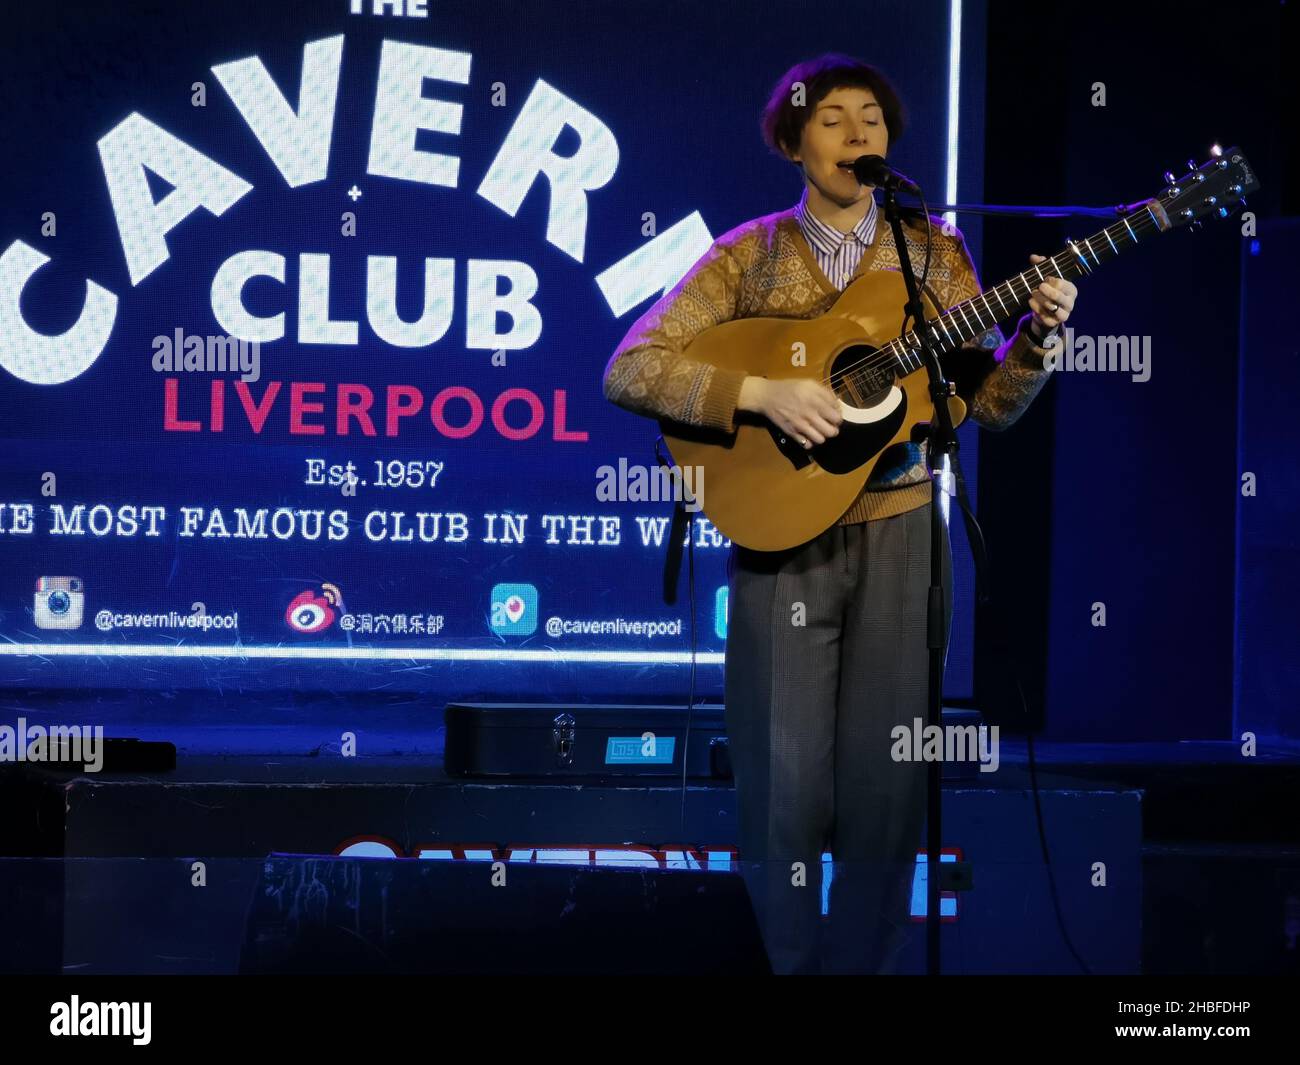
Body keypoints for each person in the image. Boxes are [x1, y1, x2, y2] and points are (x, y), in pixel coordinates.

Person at [602, 53, 1077, 974]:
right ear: (793, 141)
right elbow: (631, 367)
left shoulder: (933, 252)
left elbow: (987, 406)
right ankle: (784, 964)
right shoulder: (747, 254)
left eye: (873, 116)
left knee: (888, 787)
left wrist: (1037, 338)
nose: (859, 131)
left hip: (902, 528)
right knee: (782, 784)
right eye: (833, 117)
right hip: (782, 540)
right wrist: (761, 394)